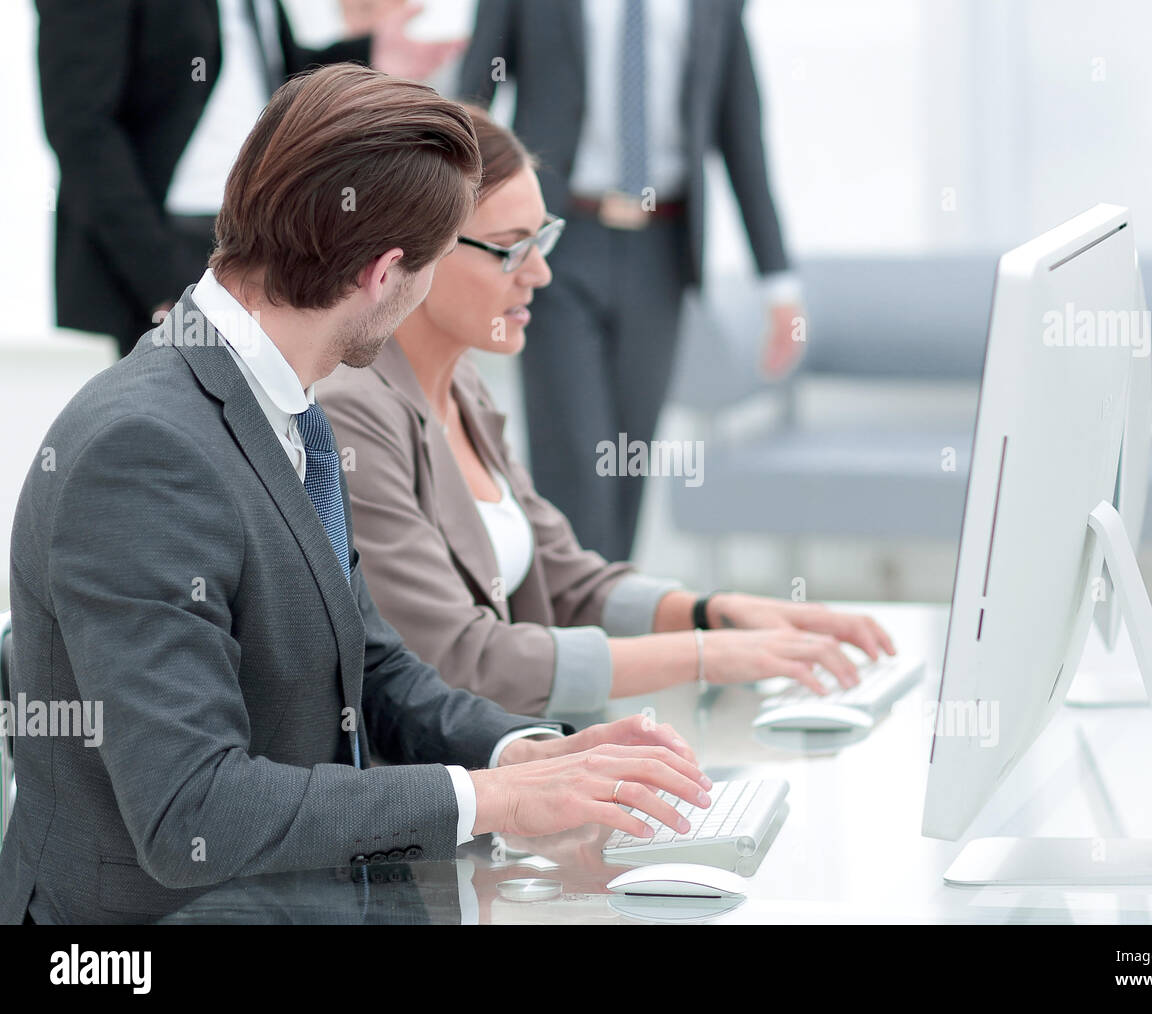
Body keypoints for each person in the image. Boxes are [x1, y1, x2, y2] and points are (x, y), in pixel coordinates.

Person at [0, 65, 710, 926]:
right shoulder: (143, 450)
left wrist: (521, 754)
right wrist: (486, 803)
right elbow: (193, 809)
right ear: (384, 274)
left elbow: (370, 665)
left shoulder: (283, 393)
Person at [316, 108, 894, 719]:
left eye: (543, 240)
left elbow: (567, 581)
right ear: (411, 254)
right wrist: (706, 656)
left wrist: (712, 613)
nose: (540, 273)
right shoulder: (353, 412)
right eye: (512, 249)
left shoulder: (461, 382)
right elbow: (463, 658)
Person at [456, 0, 806, 562]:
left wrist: (779, 287)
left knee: (628, 456)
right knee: (574, 454)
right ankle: (579, 632)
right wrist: (446, 231)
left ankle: (609, 622)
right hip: (555, 243)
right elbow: (472, 100)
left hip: (662, 252)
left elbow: (741, 133)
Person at [34, 0, 465, 359]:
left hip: (265, 231)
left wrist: (366, 51)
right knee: (187, 432)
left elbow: (265, 78)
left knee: (277, 423)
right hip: (171, 245)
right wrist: (161, 279)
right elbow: (81, 132)